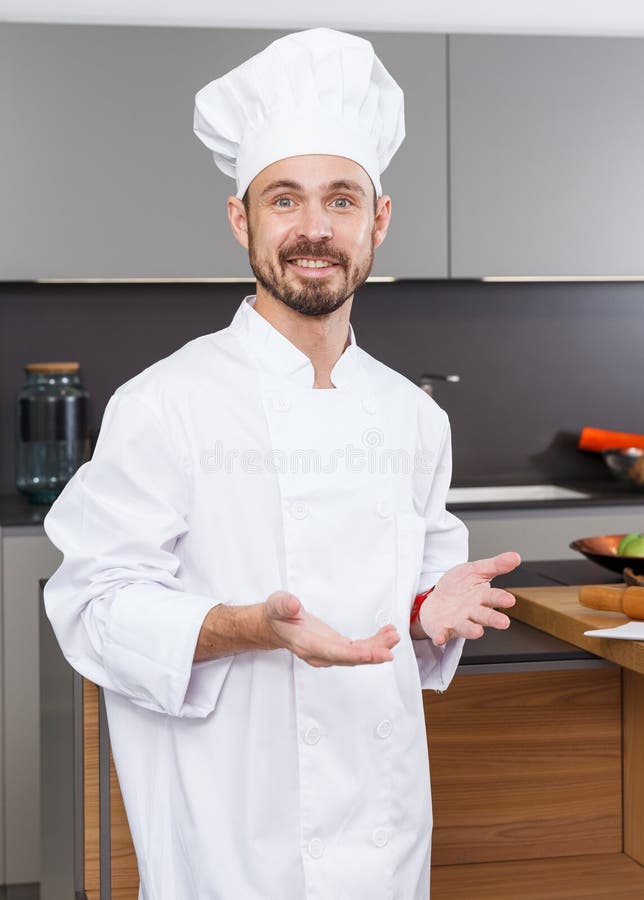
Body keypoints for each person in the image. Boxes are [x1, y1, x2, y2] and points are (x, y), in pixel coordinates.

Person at [43, 27, 520, 900]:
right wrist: (250, 626)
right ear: (241, 220)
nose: (313, 229)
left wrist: (424, 613)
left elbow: (402, 604)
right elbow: (91, 606)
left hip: (384, 837)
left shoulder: (414, 418)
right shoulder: (165, 403)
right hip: (229, 839)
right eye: (284, 200)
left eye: (341, 200)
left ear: (378, 219)